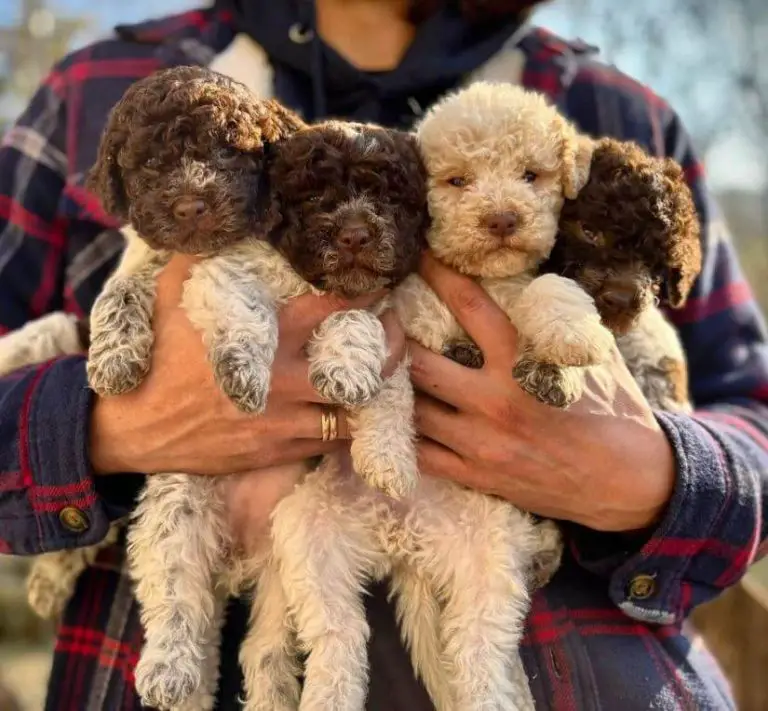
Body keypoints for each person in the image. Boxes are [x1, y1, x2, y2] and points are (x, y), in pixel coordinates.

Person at [0, 0, 765, 708]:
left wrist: (657, 477)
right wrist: (107, 428)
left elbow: (751, 410)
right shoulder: (96, 92)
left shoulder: (615, 112)